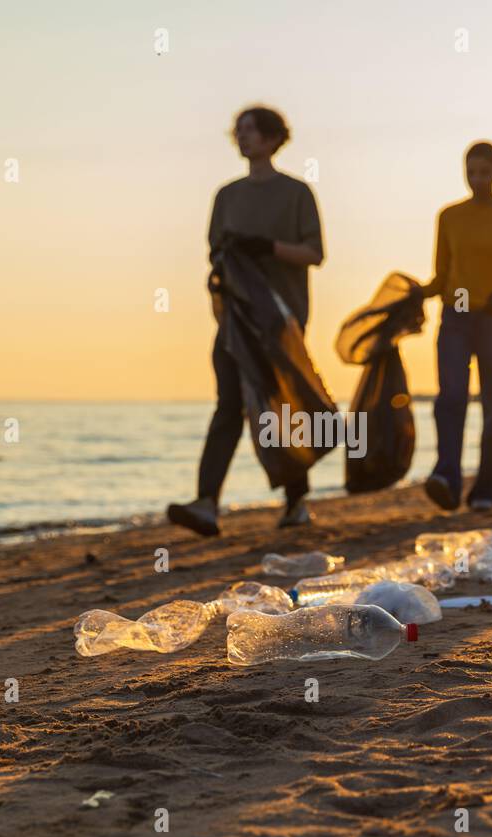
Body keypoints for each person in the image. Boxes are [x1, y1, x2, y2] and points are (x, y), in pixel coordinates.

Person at [167, 106, 325, 538]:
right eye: (237, 131)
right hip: (235, 319)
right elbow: (215, 256)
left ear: (274, 138)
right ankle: (206, 503)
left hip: (281, 321)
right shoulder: (226, 196)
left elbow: (315, 254)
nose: (242, 137)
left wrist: (267, 247)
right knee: (229, 405)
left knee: (280, 409)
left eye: (251, 131)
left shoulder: (297, 193)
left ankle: (296, 501)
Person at [415, 141, 492, 512]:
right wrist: (417, 293)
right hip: (455, 316)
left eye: (484, 172)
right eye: (471, 172)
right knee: (450, 396)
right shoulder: (449, 216)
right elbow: (443, 273)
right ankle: (447, 477)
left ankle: (486, 487)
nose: (477, 179)